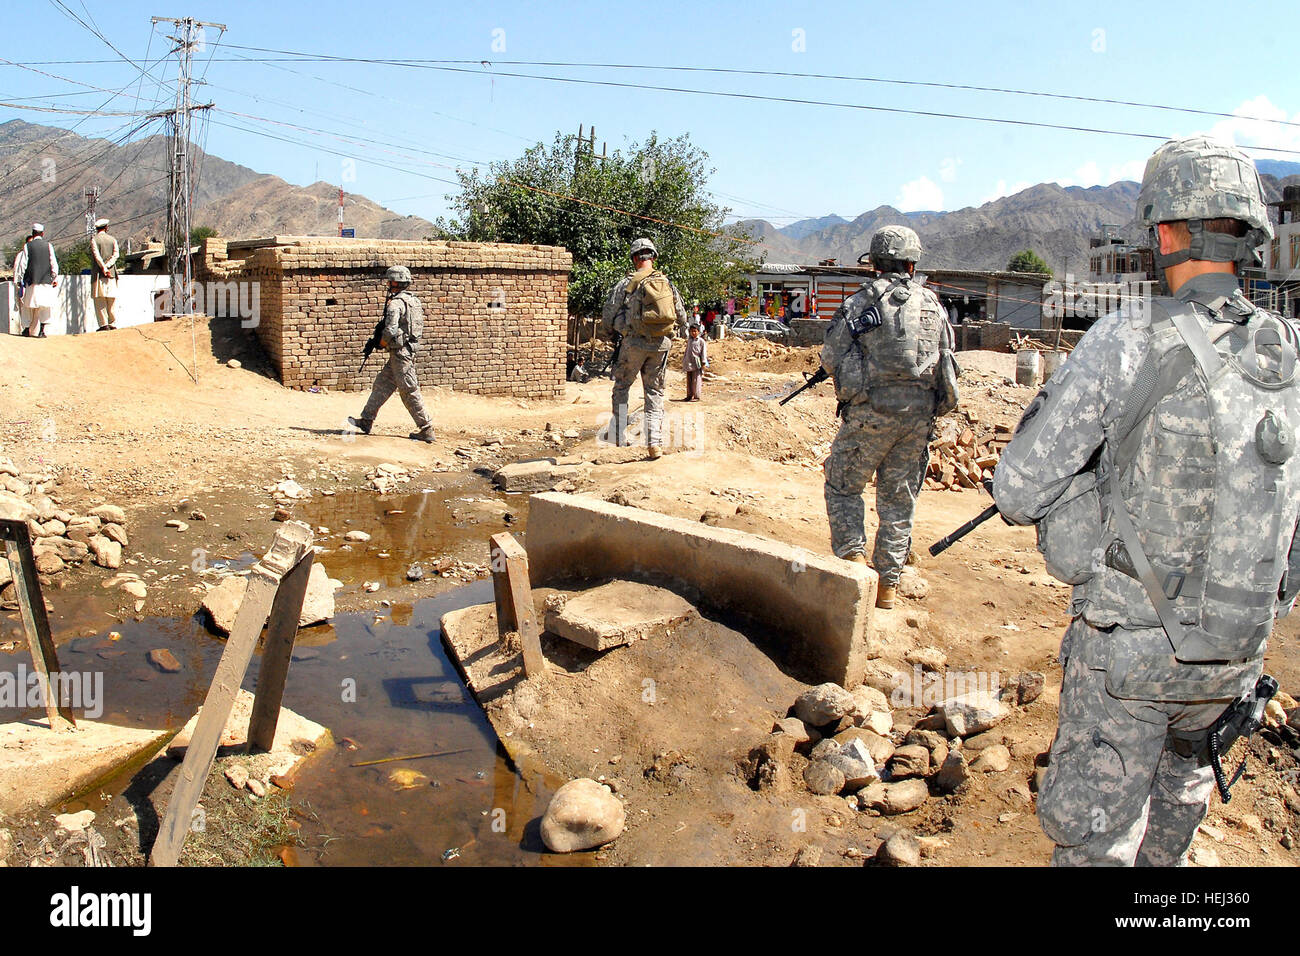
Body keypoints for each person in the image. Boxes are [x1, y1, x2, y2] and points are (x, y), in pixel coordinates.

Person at [993, 136, 1300, 867]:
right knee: (1179, 791)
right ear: (1248, 234)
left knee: (1097, 838)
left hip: (1132, 656)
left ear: (1164, 232)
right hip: (1233, 656)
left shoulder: (1126, 338)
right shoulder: (1289, 353)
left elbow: (1017, 490)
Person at [822, 225, 954, 609]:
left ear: (875, 262)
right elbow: (947, 358)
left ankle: (854, 565)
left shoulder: (862, 303)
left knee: (842, 486)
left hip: (869, 416)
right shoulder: (933, 304)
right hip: (917, 421)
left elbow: (830, 357)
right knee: (899, 502)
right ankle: (888, 588)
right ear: (912, 263)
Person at [601, 237, 689, 459]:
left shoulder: (626, 283)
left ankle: (619, 436)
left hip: (633, 344)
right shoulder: (667, 283)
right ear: (654, 257)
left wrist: (611, 334)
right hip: (660, 345)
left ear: (634, 259)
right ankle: (655, 444)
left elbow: (609, 312)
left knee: (622, 387)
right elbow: (681, 315)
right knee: (654, 392)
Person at [347, 265, 435, 443]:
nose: (388, 283)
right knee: (382, 384)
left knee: (409, 390)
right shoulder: (413, 301)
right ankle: (366, 420)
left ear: (395, 282)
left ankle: (426, 428)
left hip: (401, 354)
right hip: (404, 351)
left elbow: (391, 329)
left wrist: (381, 343)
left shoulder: (395, 303)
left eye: (390, 280)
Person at [13, 223, 58, 337]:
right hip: (46, 281)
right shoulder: (48, 245)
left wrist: (20, 279)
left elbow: (23, 264)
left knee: (28, 305)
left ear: (33, 233)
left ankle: (26, 329)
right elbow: (53, 263)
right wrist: (54, 277)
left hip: (32, 281)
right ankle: (42, 331)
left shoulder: (27, 246)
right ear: (42, 234)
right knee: (45, 306)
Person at [90, 218, 119, 331]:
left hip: (99, 274)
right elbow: (116, 255)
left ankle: (103, 325)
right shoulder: (113, 240)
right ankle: (113, 323)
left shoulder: (94, 240)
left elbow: (97, 256)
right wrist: (108, 267)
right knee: (111, 299)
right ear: (106, 227)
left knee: (100, 300)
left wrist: (103, 267)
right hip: (111, 274)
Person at [682, 322, 708, 401]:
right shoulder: (689, 340)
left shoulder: (701, 341)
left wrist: (703, 362)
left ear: (698, 332)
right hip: (689, 362)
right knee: (689, 380)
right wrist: (684, 360)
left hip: (697, 363)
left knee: (696, 380)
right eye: (691, 331)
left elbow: (703, 352)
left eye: (695, 331)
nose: (693, 333)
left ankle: (696, 396)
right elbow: (687, 351)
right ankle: (689, 395)